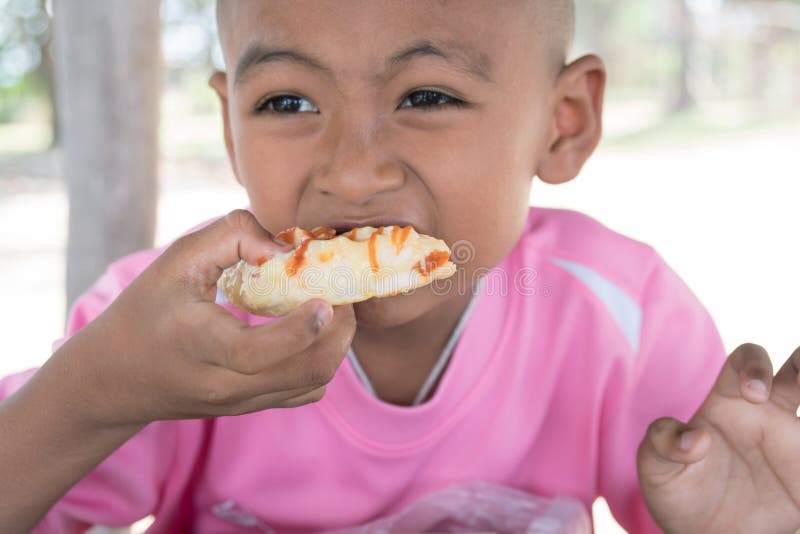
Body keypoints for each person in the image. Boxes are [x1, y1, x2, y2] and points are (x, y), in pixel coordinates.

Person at [2, 1, 799, 532]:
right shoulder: (167, 328)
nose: (352, 174)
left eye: (426, 96)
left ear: (563, 124)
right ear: (228, 125)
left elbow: (723, 499)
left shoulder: (621, 317)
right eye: (287, 103)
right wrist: (95, 393)